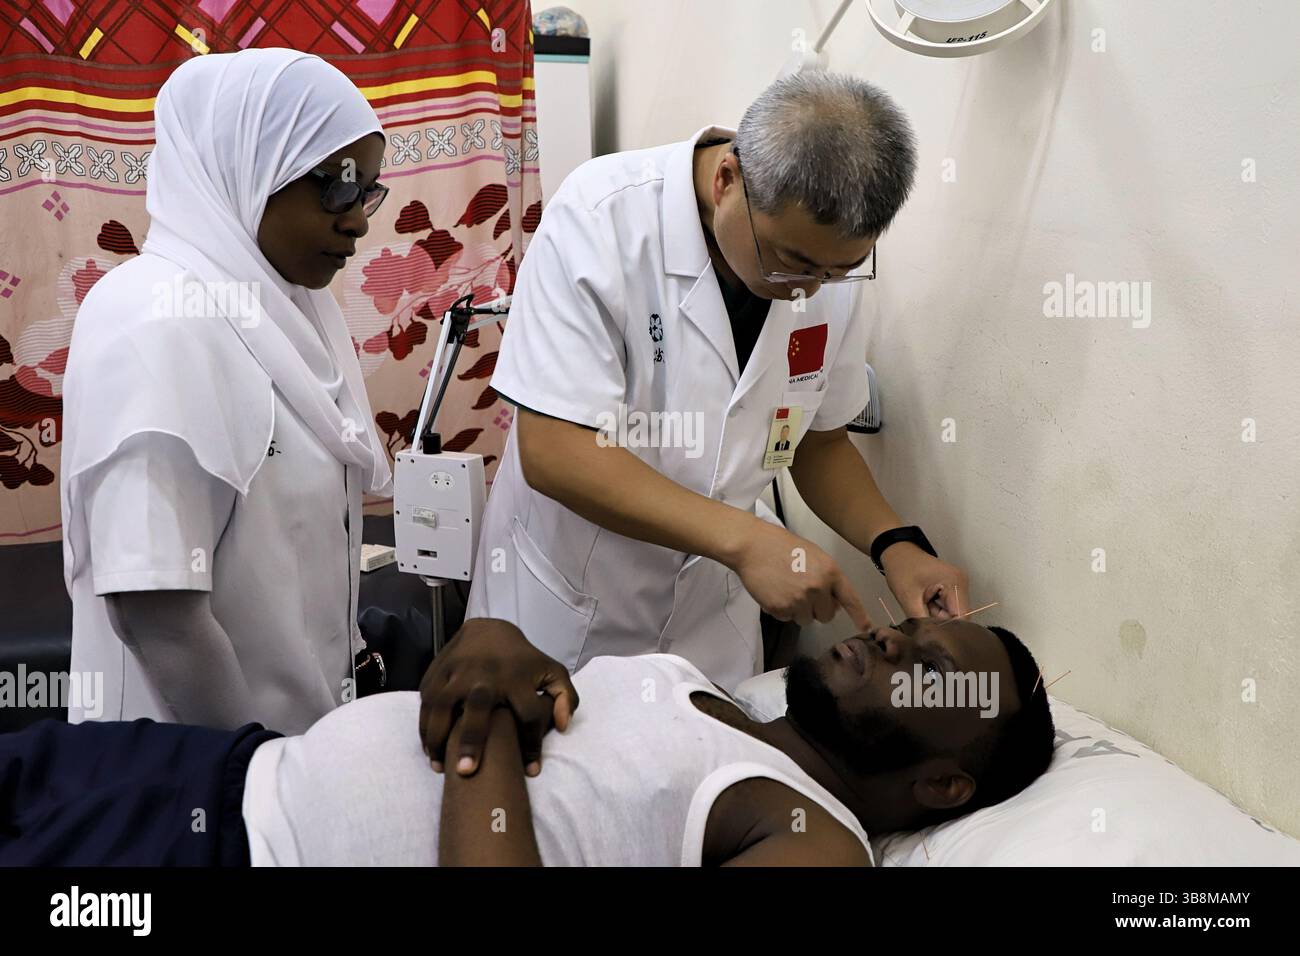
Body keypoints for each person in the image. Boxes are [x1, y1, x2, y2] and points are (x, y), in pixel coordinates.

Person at [464, 71, 971, 691]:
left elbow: (819, 441)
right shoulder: (600, 217)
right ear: (727, 179)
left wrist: (897, 544)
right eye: (792, 261)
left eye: (838, 270)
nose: (809, 289)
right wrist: (746, 541)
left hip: (709, 629)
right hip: (569, 613)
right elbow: (555, 451)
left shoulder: (829, 270)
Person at [0, 618, 1054, 866]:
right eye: (909, 624)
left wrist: (483, 722)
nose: (886, 633)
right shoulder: (696, 682)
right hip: (215, 763)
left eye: (927, 665)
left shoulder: (816, 840)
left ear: (946, 778)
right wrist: (489, 643)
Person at [59, 48, 392, 734]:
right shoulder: (154, 318)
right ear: (244, 164)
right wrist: (253, 777)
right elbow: (155, 613)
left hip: (299, 764)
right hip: (194, 783)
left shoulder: (290, 314)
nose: (358, 220)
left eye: (367, 193)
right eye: (335, 187)